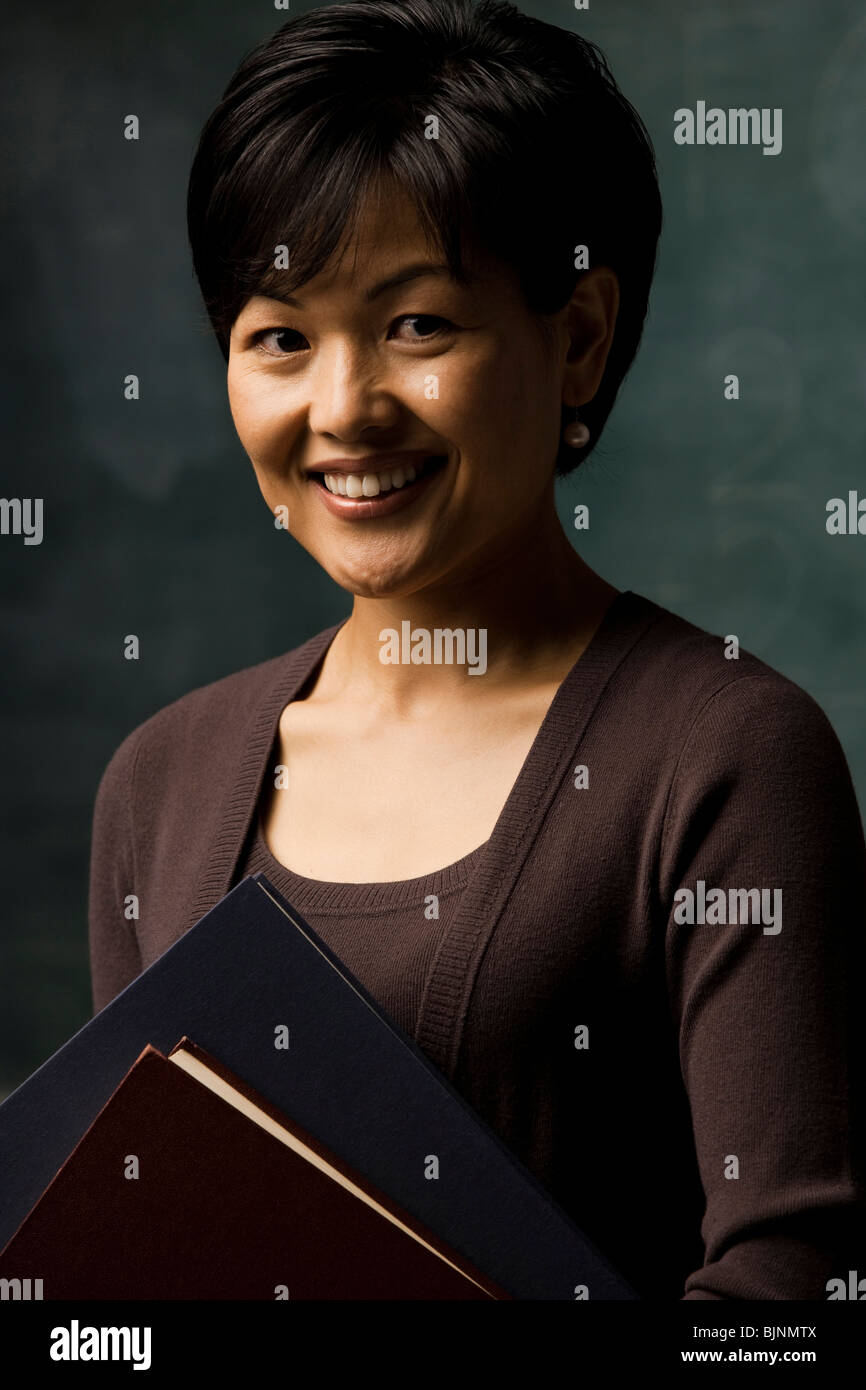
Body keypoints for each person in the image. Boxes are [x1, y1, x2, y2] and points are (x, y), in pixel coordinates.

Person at [88, 0, 865, 1299]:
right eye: (280, 335)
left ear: (578, 338)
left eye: (417, 326)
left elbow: (793, 1288)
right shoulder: (156, 782)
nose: (343, 410)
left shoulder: (725, 755)